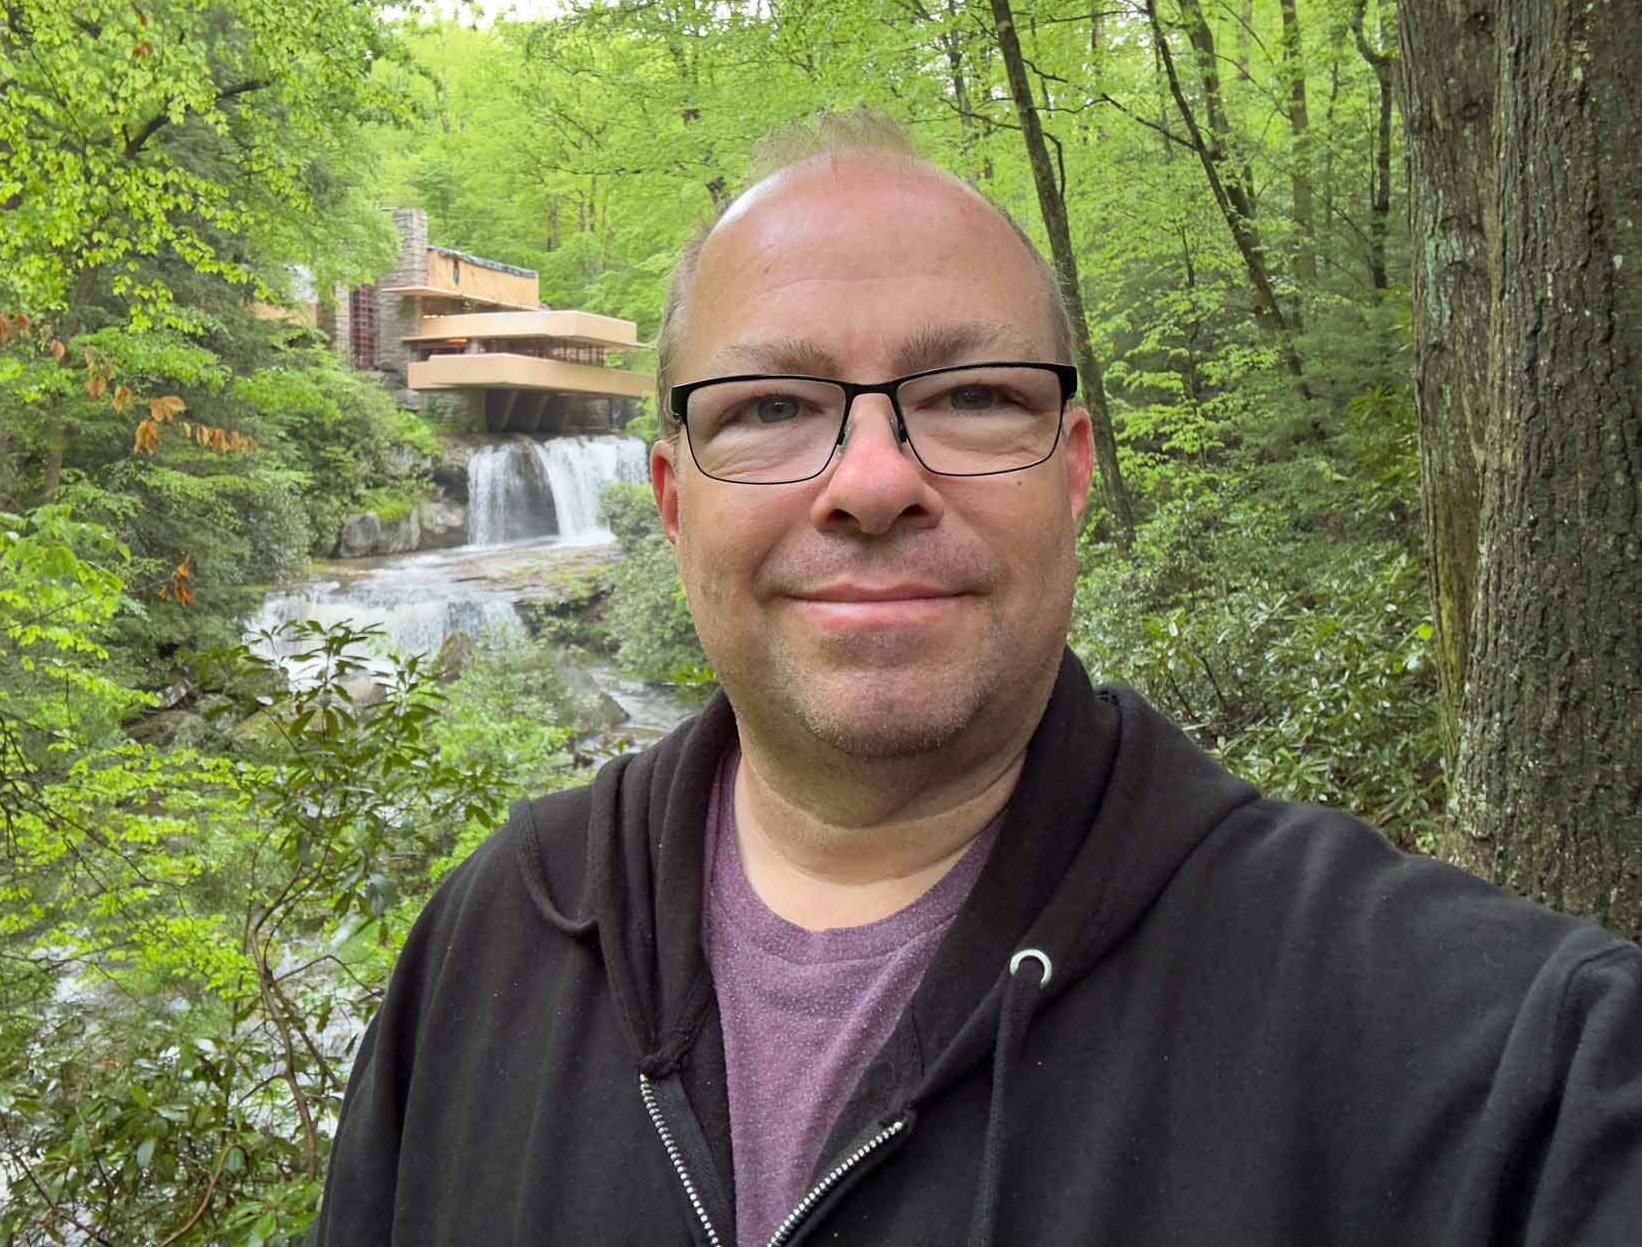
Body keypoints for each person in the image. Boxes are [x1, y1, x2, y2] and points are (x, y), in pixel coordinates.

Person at [309, 111, 1642, 1246]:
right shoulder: (491, 948)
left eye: (969, 396)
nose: (875, 481)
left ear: (1072, 469)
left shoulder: (1468, 1044)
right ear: (672, 499)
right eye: (770, 408)